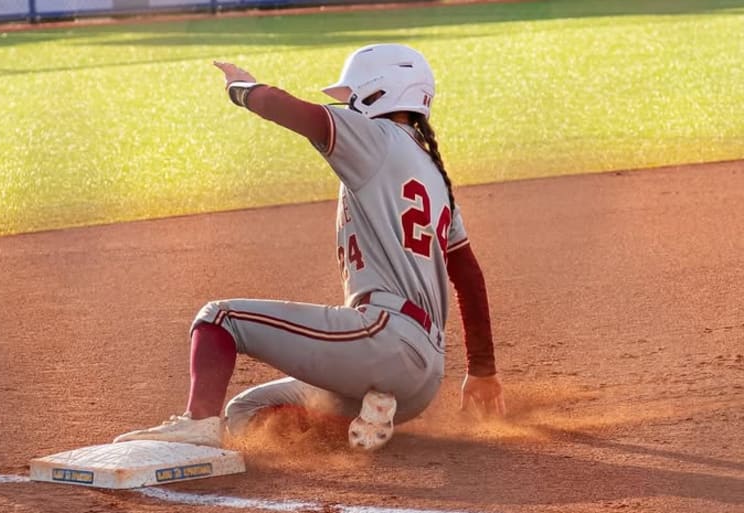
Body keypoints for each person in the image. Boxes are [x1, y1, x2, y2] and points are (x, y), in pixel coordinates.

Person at [114, 44, 505, 451]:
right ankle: (371, 410)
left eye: (352, 96)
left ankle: (196, 427)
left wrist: (240, 86)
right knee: (247, 413)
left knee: (219, 318)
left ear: (376, 94)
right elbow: (469, 278)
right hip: (421, 378)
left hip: (382, 339)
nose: (347, 107)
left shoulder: (374, 136)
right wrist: (482, 370)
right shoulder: (435, 177)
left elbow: (285, 108)